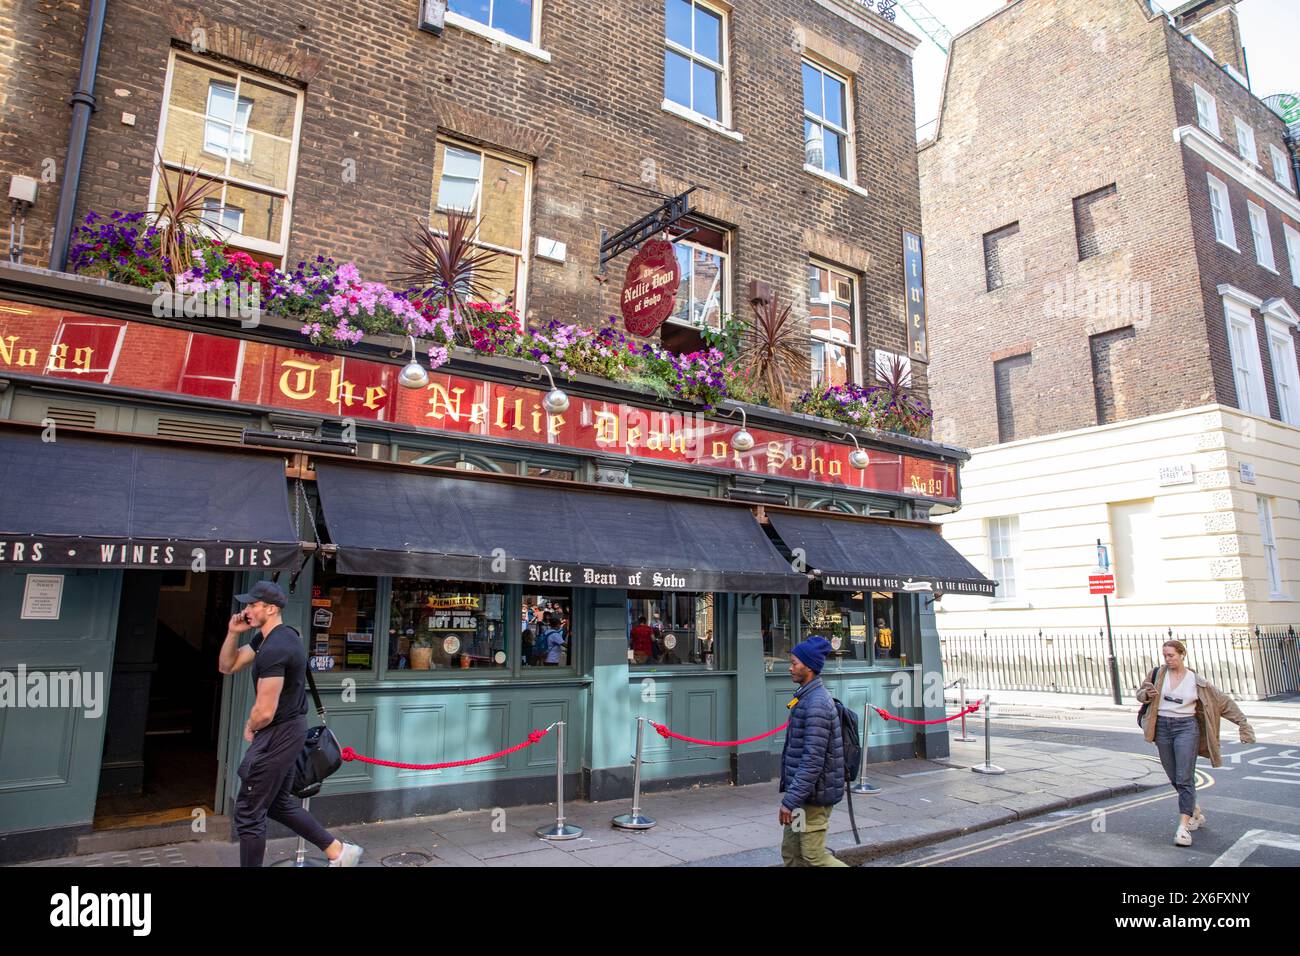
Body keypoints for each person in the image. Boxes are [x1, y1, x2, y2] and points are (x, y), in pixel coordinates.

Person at [218, 580, 363, 868]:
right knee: (277, 802)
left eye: (252, 605)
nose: (246, 610)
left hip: (278, 734)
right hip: (287, 730)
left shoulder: (278, 647)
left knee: (248, 811)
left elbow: (266, 710)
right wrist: (233, 633)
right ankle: (339, 852)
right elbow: (227, 666)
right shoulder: (267, 639)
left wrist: (251, 724)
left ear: (270, 609)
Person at [1136, 639, 1256, 847]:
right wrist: (1146, 694)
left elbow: (1223, 702)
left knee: (1184, 777)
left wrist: (1243, 725)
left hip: (1186, 728)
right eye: (1165, 655)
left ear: (1182, 654)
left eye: (1171, 655)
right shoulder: (1157, 674)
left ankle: (1183, 827)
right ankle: (1194, 810)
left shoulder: (1197, 681)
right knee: (1173, 776)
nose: (1167, 659)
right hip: (1162, 728)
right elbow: (1140, 695)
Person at [778, 636, 847, 867]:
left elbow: (812, 760)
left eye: (795, 663)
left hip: (813, 800)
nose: (790, 667)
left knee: (813, 856)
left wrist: (790, 800)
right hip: (803, 798)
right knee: (793, 853)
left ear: (809, 667)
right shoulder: (805, 697)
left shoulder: (816, 703)